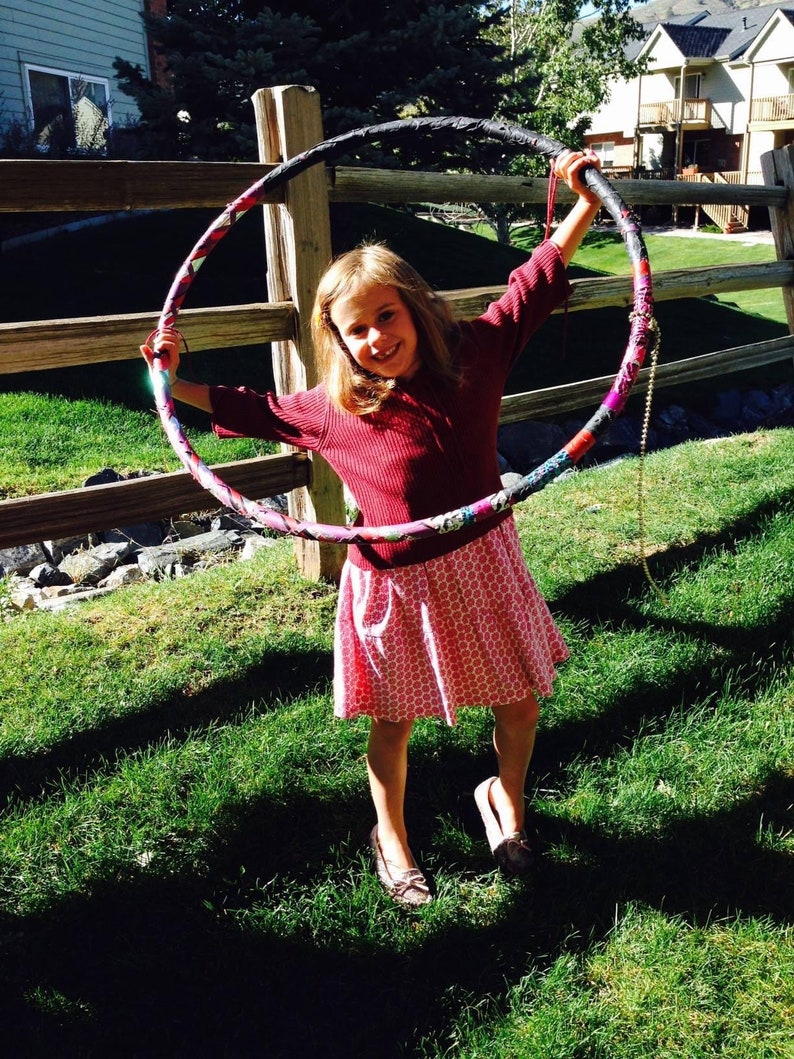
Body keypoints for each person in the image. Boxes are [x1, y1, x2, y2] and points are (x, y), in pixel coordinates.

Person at [142, 149, 602, 908]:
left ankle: (506, 800)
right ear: (339, 340)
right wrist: (169, 379)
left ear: (415, 307)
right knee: (394, 725)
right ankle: (390, 834)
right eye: (356, 329)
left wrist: (582, 199)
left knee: (520, 702)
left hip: (485, 562)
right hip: (395, 586)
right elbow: (249, 407)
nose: (377, 338)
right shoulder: (334, 410)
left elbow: (535, 280)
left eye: (387, 316)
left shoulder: (476, 354)